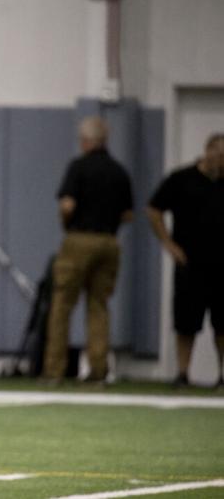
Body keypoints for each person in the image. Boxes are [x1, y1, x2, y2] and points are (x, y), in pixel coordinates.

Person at [42, 116, 133, 385]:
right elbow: (128, 215)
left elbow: (67, 205)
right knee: (99, 307)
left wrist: (66, 223)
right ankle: (98, 372)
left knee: (62, 305)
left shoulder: (78, 167)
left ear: (86, 141)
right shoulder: (120, 171)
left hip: (79, 240)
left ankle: (54, 371)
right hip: (110, 243)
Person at [147, 133, 224, 389]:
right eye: (220, 155)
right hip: (190, 262)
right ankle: (183, 373)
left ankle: (221, 375)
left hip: (221, 265)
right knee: (186, 322)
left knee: (221, 324)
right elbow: (154, 209)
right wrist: (168, 244)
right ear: (208, 151)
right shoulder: (182, 179)